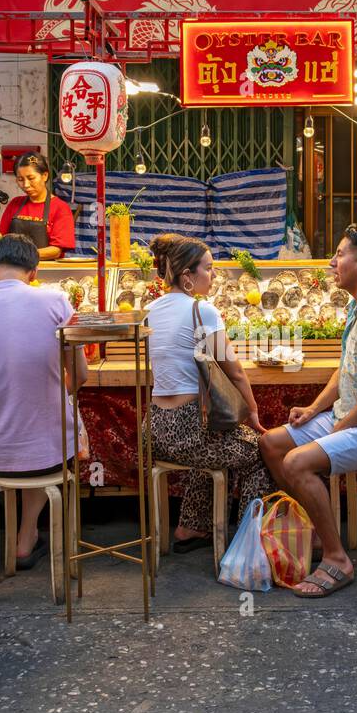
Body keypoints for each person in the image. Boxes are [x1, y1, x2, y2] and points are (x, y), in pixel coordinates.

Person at [260, 224, 357, 597]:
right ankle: (314, 531)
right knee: (273, 444)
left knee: (296, 462)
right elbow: (346, 370)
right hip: (353, 418)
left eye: (339, 254)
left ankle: (337, 558)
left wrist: (338, 427)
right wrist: (313, 410)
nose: (331, 262)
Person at [0, 234, 87, 569]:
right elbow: (81, 376)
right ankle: (26, 536)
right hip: (49, 451)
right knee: (51, 425)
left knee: (34, 422)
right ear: (34, 272)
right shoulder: (57, 302)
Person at [145, 233, 271, 553]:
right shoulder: (203, 312)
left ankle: (191, 527)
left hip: (154, 429)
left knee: (218, 440)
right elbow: (235, 372)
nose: (213, 276)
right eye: (209, 269)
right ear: (188, 276)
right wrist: (254, 415)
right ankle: (250, 540)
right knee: (262, 452)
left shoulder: (150, 310)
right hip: (189, 431)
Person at [0, 153, 75, 259]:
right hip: (14, 269)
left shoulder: (60, 208)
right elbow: (0, 237)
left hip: (45, 271)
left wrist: (21, 255)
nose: (26, 185)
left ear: (45, 176)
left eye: (31, 178)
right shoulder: (15, 204)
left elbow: (56, 250)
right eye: (20, 179)